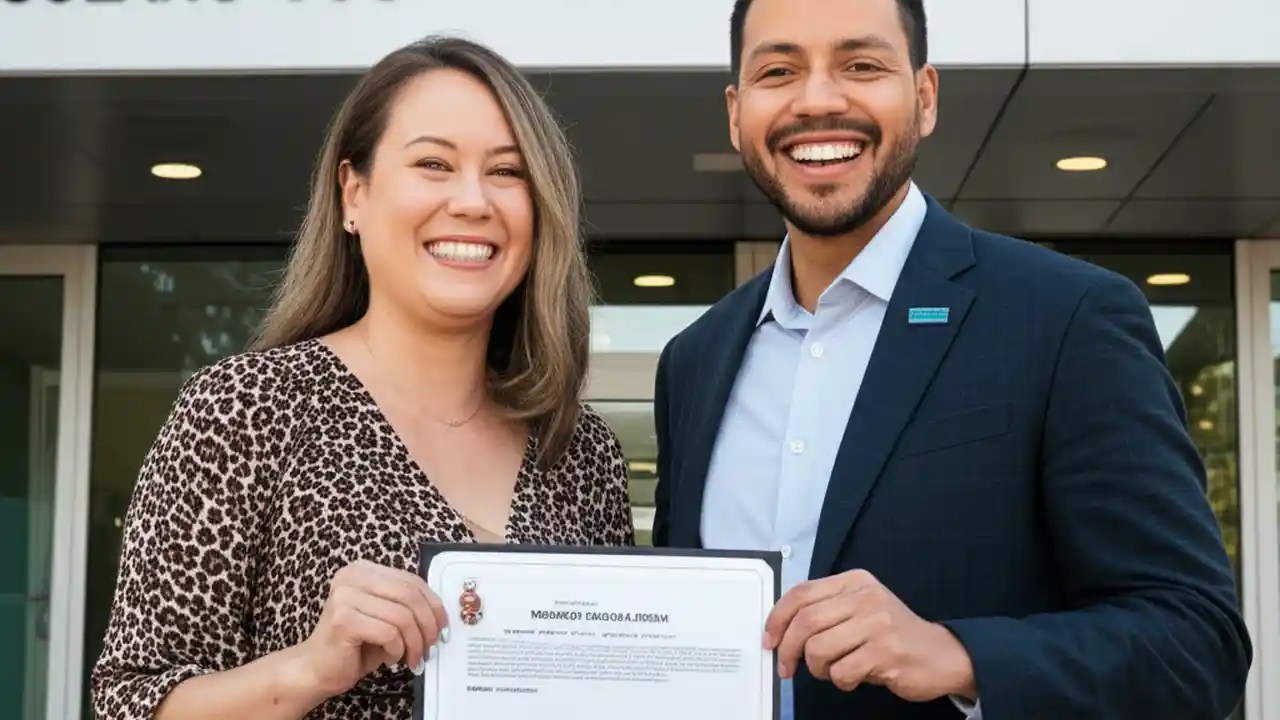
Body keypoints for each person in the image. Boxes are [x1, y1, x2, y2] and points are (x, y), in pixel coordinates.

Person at [651, 0, 1252, 718]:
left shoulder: (1065, 318)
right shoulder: (694, 361)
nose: (817, 100)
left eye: (861, 65)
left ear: (925, 97)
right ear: (735, 110)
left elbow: (1197, 645)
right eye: (778, 70)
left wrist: (961, 657)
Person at [92, 35, 634, 719]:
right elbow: (130, 702)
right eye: (434, 164)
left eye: (509, 171)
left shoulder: (583, 454)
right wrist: (311, 669)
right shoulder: (244, 411)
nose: (472, 201)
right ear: (354, 193)